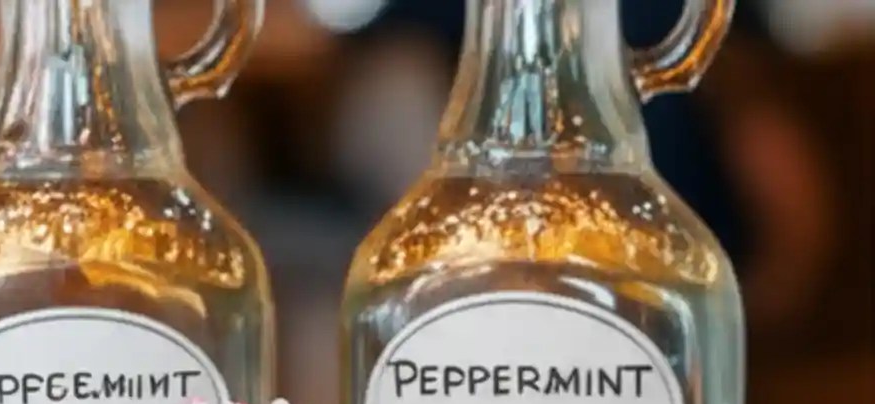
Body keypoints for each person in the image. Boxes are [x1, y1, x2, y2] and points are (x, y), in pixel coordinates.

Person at [333, 0, 836, 335]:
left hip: (652, 275)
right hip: (487, 288)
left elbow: (761, 125)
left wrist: (777, 274)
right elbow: (361, 57)